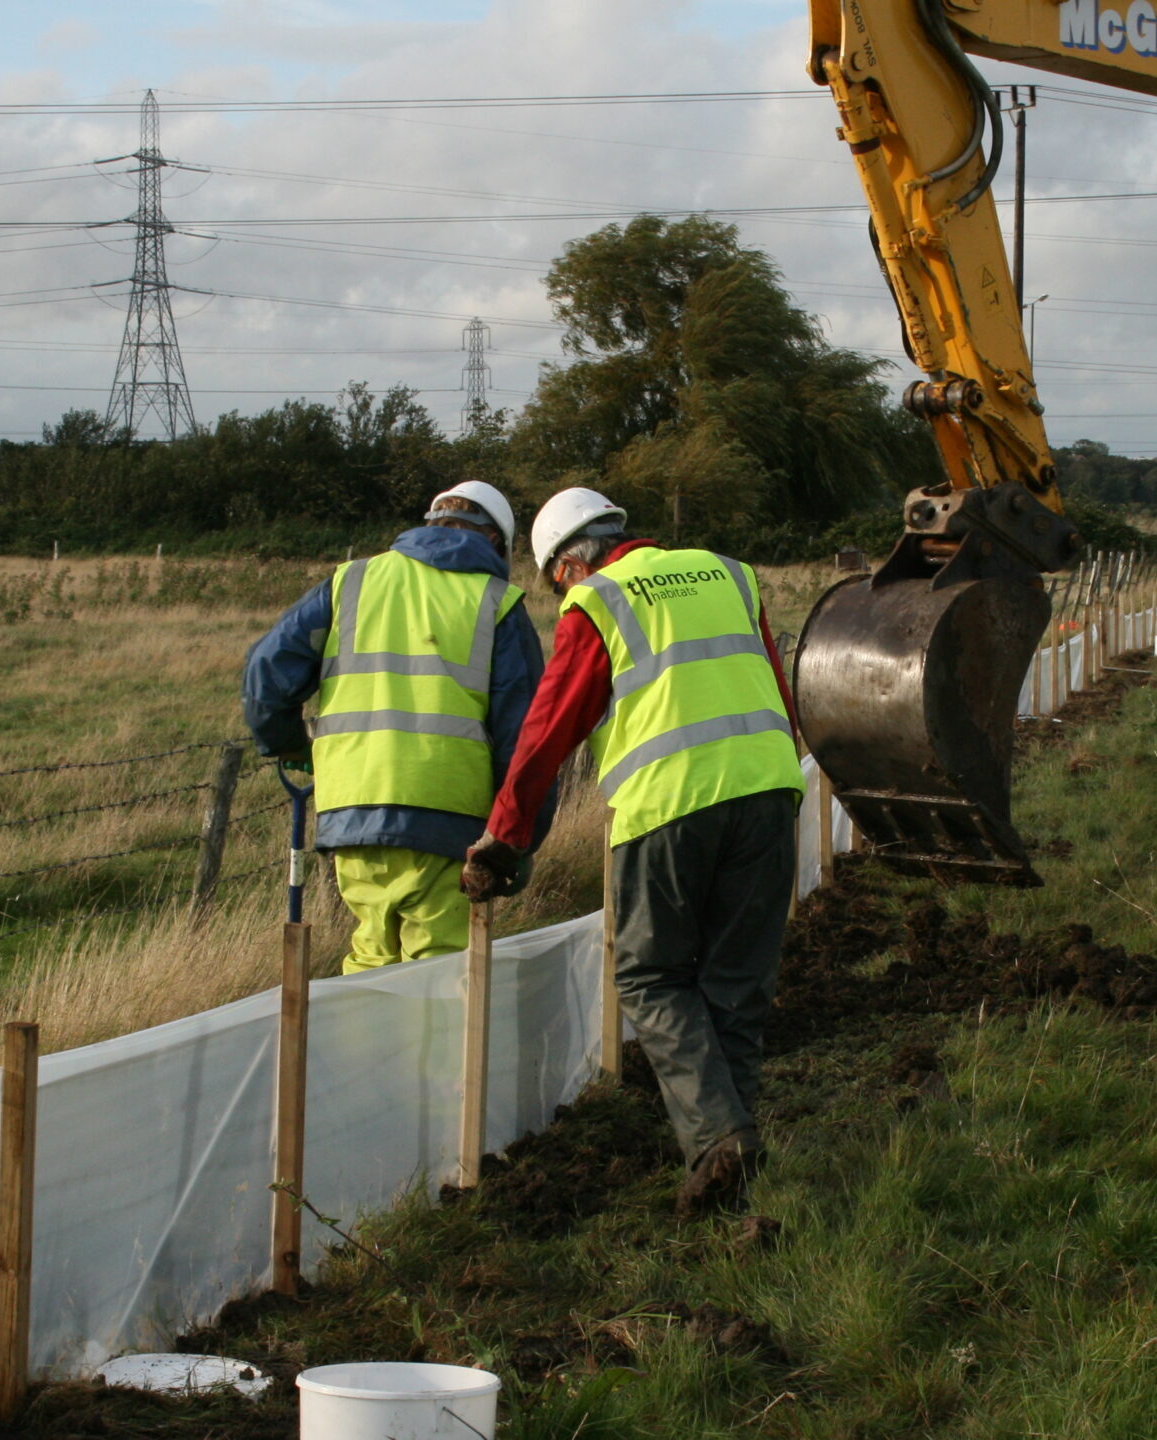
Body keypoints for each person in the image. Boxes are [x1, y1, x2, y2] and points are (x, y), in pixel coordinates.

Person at [460, 487, 804, 1218]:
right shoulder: (728, 573)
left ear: (566, 568)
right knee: (736, 985)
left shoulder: (600, 601)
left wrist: (503, 835)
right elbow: (774, 684)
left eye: (555, 588)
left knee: (649, 975)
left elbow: (547, 729)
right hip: (772, 789)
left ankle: (717, 1141)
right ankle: (736, 1173)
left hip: (670, 806)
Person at [242, 480, 550, 973]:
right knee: (442, 973)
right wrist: (517, 841)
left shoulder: (350, 582)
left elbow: (267, 674)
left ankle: (364, 1051)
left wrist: (288, 744)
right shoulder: (497, 603)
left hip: (351, 810)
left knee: (372, 958)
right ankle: (434, 1054)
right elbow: (528, 743)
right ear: (496, 541)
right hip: (448, 817)